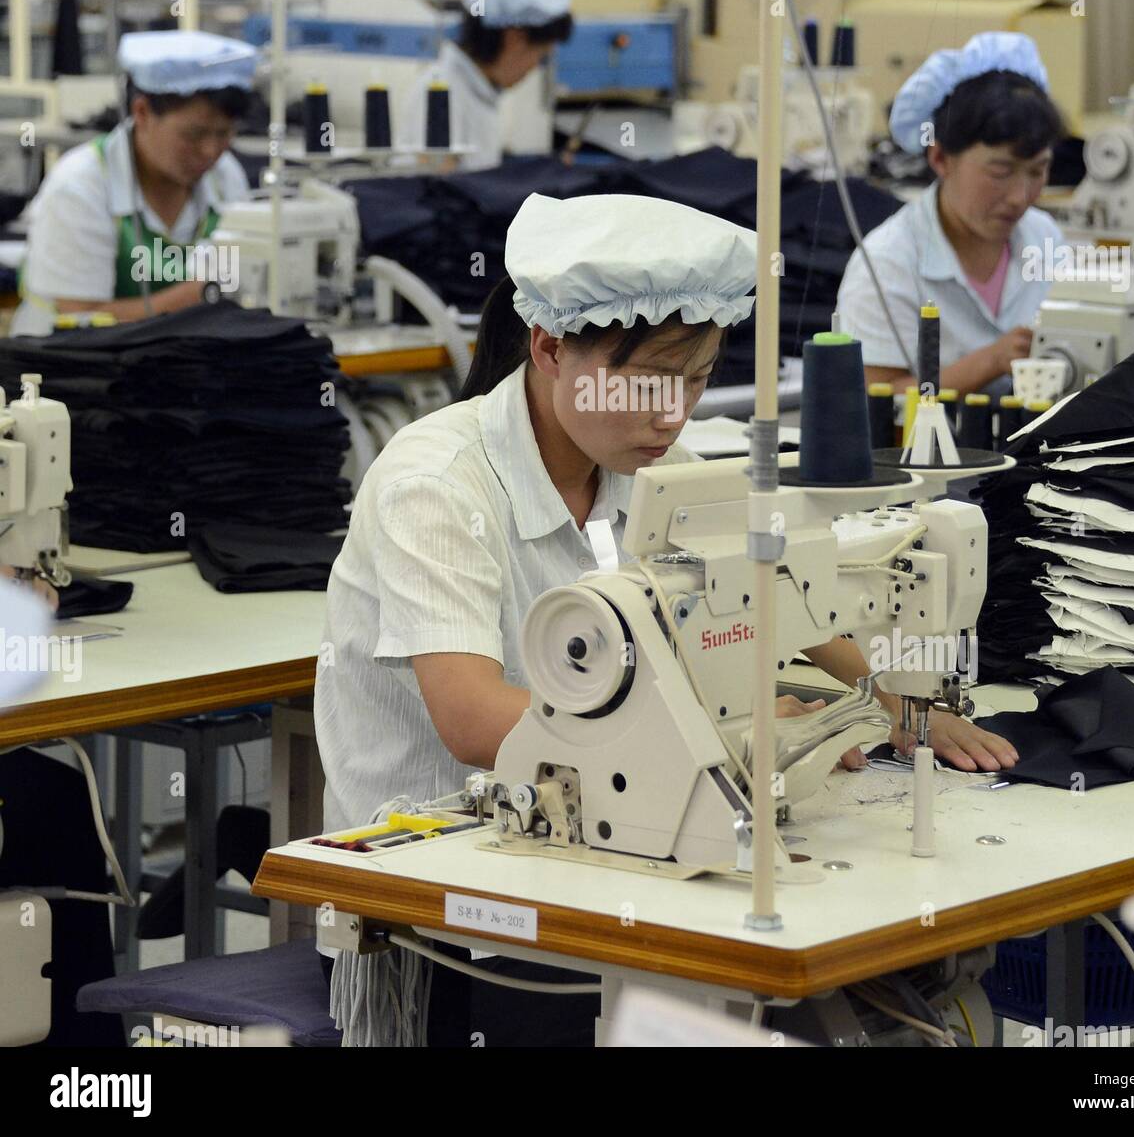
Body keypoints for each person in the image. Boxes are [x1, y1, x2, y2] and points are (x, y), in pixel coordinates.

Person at [315, 190, 1017, 1046]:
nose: (673, 414)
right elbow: (469, 719)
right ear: (548, 347)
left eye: (696, 379)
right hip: (440, 899)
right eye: (647, 383)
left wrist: (894, 693)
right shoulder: (437, 484)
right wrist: (719, 746)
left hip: (594, 845)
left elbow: (783, 590)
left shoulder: (653, 467)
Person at [837, 32, 1066, 396]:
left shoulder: (1045, 237)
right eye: (1000, 172)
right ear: (940, 158)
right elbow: (874, 399)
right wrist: (991, 361)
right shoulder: (887, 263)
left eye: (1037, 171)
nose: (1020, 197)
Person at [11, 30, 255, 336]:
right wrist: (206, 293)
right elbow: (81, 316)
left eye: (223, 134)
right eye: (194, 135)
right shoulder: (80, 187)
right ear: (141, 112)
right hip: (70, 369)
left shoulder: (224, 176)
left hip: (177, 362)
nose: (210, 151)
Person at [402, 0, 573, 171]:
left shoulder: (477, 91)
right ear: (515, 38)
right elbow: (435, 187)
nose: (535, 67)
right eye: (541, 56)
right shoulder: (440, 94)